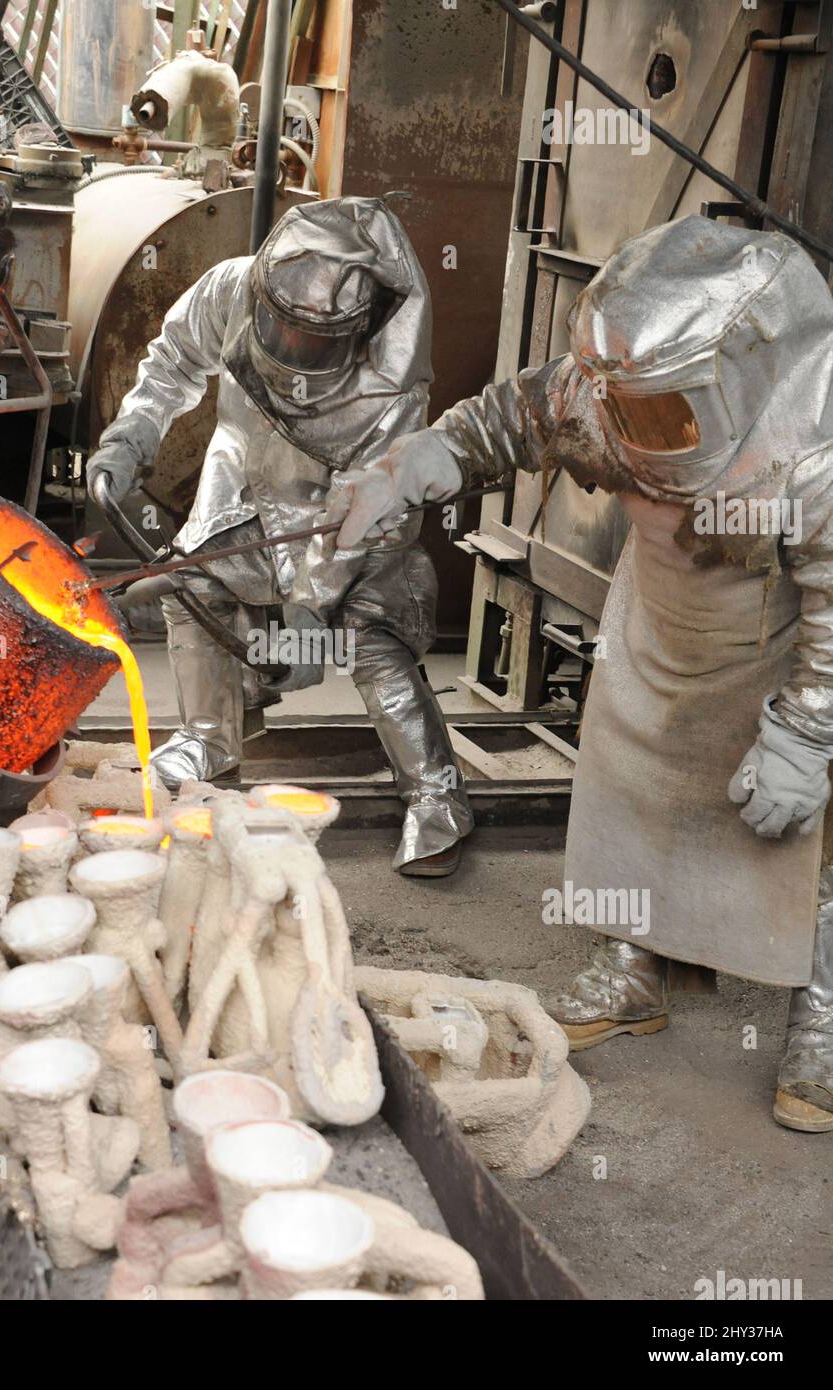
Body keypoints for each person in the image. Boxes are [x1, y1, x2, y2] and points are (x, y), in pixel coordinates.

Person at [328, 214, 833, 1129]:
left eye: (661, 413)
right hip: (661, 616)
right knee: (637, 784)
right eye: (621, 406)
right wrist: (410, 466)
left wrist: (805, 732)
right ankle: (635, 968)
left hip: (788, 639)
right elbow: (503, 423)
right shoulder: (613, 387)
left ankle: (825, 1023)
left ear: (741, 378)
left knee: (811, 834)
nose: (631, 432)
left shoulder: (816, 435)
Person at [88, 196, 473, 876]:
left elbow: (356, 517)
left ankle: (434, 796)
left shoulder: (393, 386)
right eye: (279, 326)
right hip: (245, 471)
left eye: (313, 341)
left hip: (348, 516)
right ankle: (211, 734)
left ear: (363, 325)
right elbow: (174, 359)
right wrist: (131, 435)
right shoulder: (234, 289)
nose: (289, 349)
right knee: (191, 584)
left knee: (370, 637)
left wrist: (305, 614)